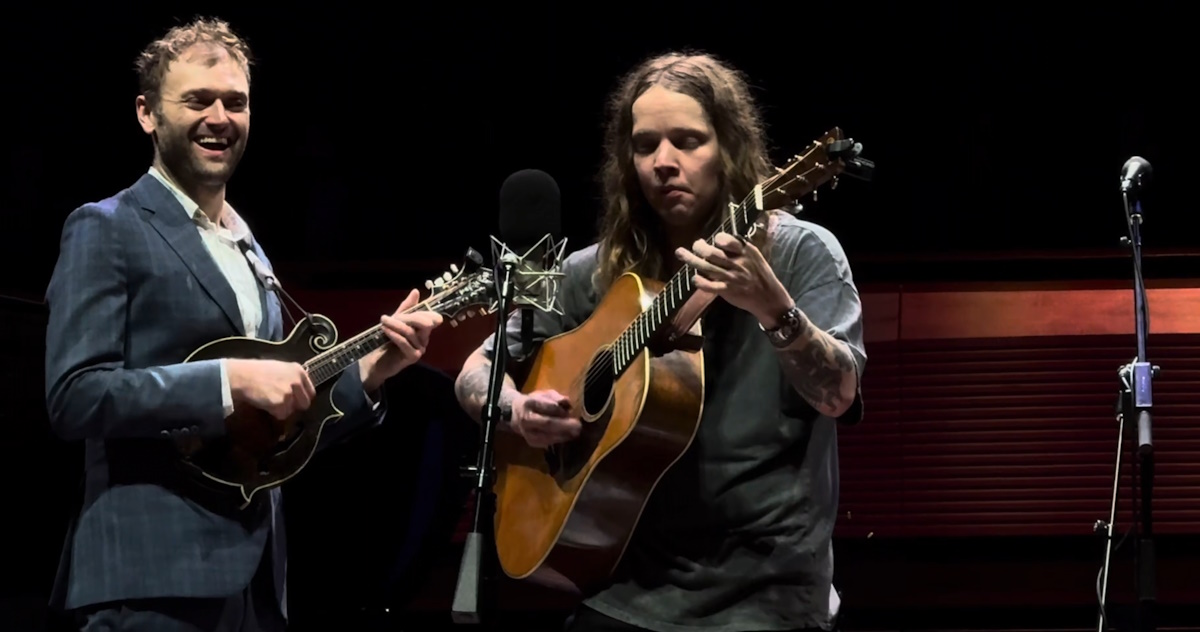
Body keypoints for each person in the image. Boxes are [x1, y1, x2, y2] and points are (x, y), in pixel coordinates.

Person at [43, 17, 443, 632]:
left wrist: (370, 373)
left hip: (258, 584)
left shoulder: (247, 246)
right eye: (198, 100)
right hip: (148, 583)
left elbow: (274, 433)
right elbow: (75, 397)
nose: (220, 117)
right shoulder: (107, 226)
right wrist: (229, 380)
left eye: (236, 102)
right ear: (148, 114)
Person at [453, 51, 866, 632]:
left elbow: (838, 396)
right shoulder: (593, 272)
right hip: (621, 581)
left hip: (763, 596)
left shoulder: (801, 253)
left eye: (688, 141)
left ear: (729, 147)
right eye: (645, 146)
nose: (663, 162)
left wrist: (775, 310)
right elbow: (479, 369)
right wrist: (517, 410)